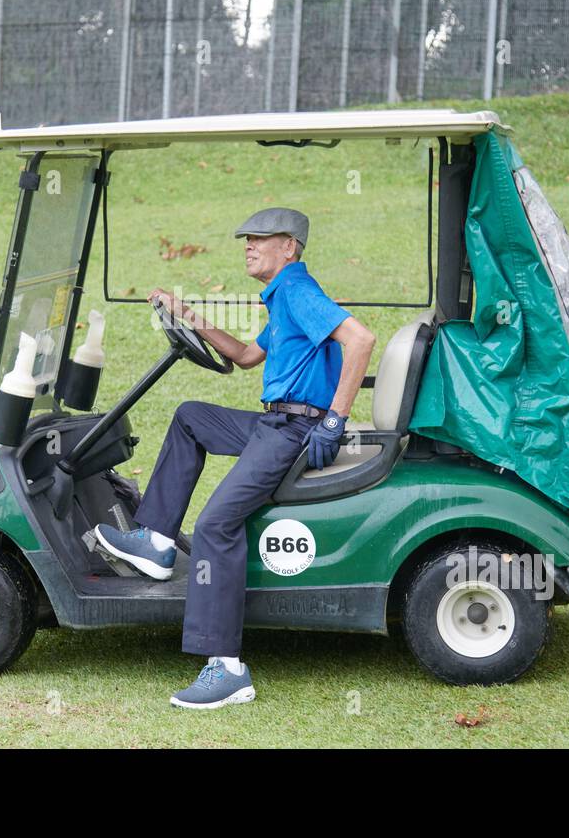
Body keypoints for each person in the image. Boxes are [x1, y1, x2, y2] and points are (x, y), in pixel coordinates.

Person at [94, 207, 376, 708]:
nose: (248, 245)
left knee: (216, 525)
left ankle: (225, 668)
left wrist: (336, 418)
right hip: (275, 422)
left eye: (260, 239)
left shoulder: (297, 290)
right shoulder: (284, 297)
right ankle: (157, 541)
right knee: (190, 417)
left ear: (289, 247)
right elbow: (247, 356)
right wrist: (189, 317)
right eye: (247, 238)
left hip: (293, 430)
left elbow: (360, 339)